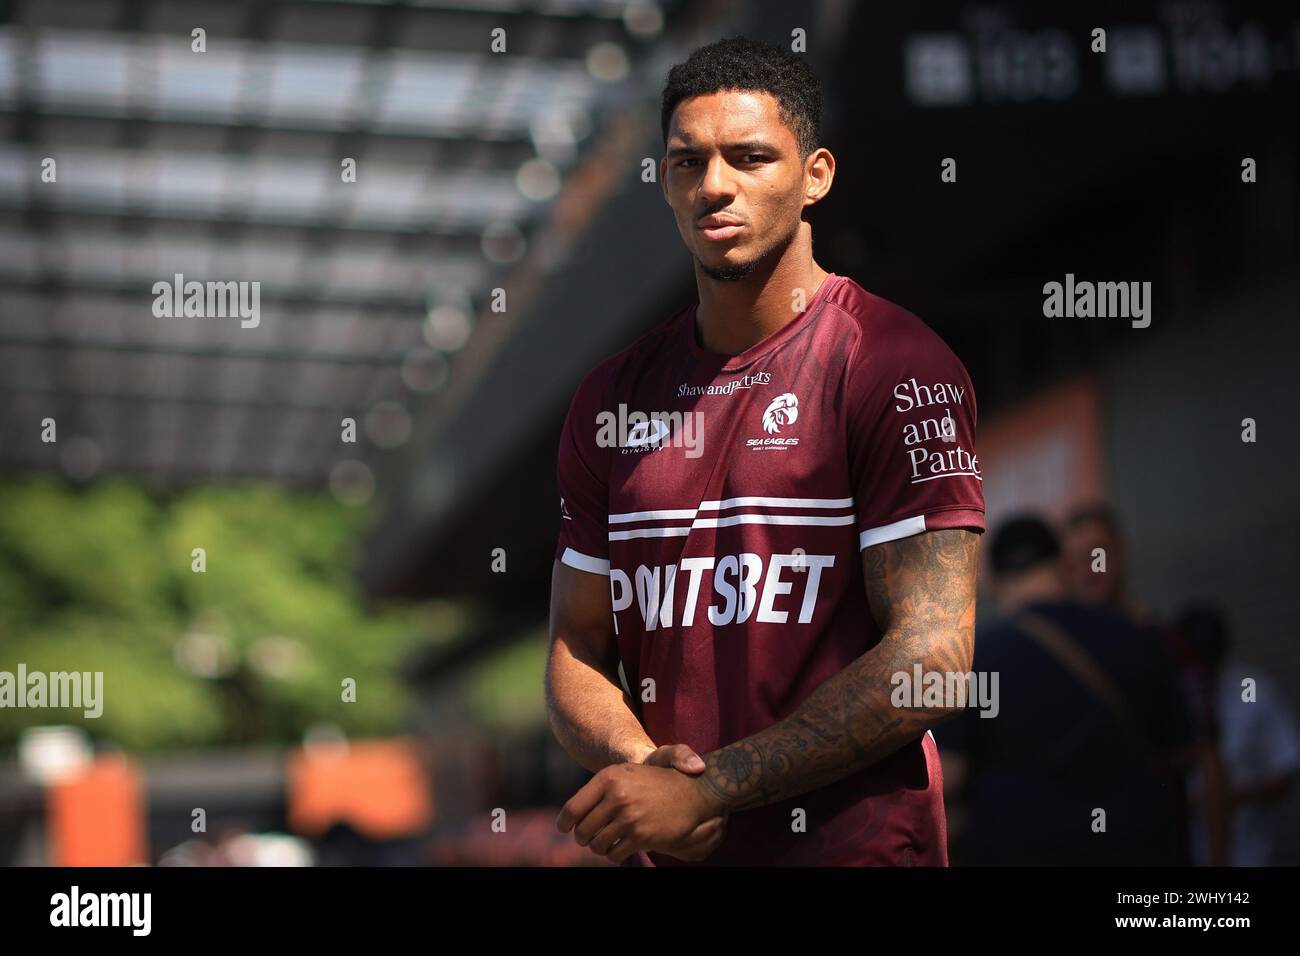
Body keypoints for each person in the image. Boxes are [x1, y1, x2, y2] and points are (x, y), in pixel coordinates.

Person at [544, 36, 985, 866]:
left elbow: (937, 655)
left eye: (749, 158)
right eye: (687, 163)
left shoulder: (892, 363)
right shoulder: (610, 397)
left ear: (816, 174)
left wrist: (712, 789)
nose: (715, 186)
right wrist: (649, 772)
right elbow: (575, 645)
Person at [939, 516, 1194, 865]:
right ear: (1062, 564)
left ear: (993, 581)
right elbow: (1184, 754)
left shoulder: (975, 658)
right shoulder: (1136, 637)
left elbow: (949, 777)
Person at [1061, 504, 1231, 864]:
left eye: (1098, 554)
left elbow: (1208, 758)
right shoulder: (1060, 655)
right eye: (1077, 560)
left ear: (1122, 553)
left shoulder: (1166, 645)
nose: (1091, 570)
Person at [1178, 604, 1300, 866]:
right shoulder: (1166, 694)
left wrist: (1229, 797)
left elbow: (1284, 769)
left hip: (1248, 854)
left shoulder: (1254, 691)